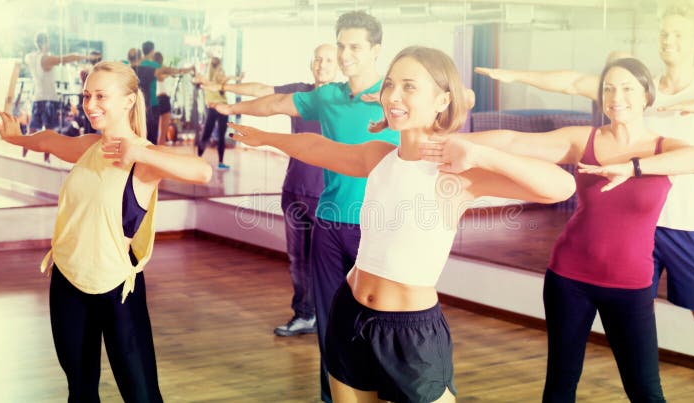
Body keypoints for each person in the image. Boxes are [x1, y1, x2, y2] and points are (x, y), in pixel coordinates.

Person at [230, 45, 575, 403]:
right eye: (390, 84)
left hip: (411, 333)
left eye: (409, 86)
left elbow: (560, 187)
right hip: (350, 315)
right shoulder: (378, 156)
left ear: (442, 100)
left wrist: (483, 154)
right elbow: (315, 147)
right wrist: (265, 137)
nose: (394, 95)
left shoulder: (457, 174)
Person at [473, 4, 694, 401]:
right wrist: (512, 74)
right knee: (629, 326)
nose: (669, 41)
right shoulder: (635, 86)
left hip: (683, 223)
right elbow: (572, 81)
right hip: (630, 228)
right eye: (664, 33)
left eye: (679, 34)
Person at [425, 57, 694, 402]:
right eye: (608, 88)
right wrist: (449, 140)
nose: (616, 95)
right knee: (560, 386)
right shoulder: (583, 139)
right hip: (570, 278)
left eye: (627, 88)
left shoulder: (665, 148)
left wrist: (632, 168)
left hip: (631, 285)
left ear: (646, 95)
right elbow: (514, 142)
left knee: (646, 391)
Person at [207, 11, 400, 402]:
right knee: (331, 323)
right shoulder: (327, 97)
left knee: (378, 323)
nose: (346, 55)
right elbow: (279, 102)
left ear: (376, 51)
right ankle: (332, 397)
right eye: (341, 45)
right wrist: (231, 109)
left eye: (354, 47)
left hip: (378, 226)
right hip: (329, 223)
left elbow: (459, 99)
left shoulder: (395, 97)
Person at [0, 61, 212, 401]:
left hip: (115, 287)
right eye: (87, 96)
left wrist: (138, 150)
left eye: (100, 96)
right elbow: (49, 140)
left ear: (127, 101)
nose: (90, 105)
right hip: (67, 279)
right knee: (79, 389)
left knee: (141, 394)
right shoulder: (90, 147)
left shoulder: (144, 159)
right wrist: (15, 137)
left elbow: (202, 172)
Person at [210, 43, 338, 337]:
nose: (322, 64)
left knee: (328, 262)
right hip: (295, 188)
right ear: (311, 63)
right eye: (318, 59)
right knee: (298, 259)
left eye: (328, 60)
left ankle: (331, 319)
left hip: (328, 192)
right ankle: (305, 315)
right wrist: (228, 86)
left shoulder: (343, 97)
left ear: (338, 65)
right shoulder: (300, 92)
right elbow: (265, 92)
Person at [24, 32, 93, 162]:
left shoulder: (32, 57)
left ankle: (23, 156)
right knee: (50, 133)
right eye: (47, 42)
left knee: (32, 130)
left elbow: (28, 58)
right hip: (49, 99)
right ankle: (46, 160)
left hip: (37, 97)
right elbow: (65, 59)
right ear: (44, 43)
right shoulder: (46, 59)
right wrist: (85, 56)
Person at [127, 47, 191, 145]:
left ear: (128, 58)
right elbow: (170, 71)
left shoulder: (124, 71)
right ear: (140, 58)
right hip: (148, 109)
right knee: (149, 140)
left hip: (130, 109)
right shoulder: (148, 70)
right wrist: (188, 69)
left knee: (133, 138)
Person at [193, 56, 241, 170]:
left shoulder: (211, 79)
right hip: (218, 108)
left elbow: (227, 78)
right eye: (219, 66)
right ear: (218, 65)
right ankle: (206, 160)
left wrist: (237, 77)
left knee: (213, 135)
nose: (222, 71)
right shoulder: (210, 78)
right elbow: (196, 81)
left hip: (220, 108)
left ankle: (210, 161)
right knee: (211, 135)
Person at [153, 51, 174, 145]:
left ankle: (158, 153)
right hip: (162, 99)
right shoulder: (157, 72)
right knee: (161, 132)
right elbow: (161, 77)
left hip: (159, 99)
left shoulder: (152, 71)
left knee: (158, 133)